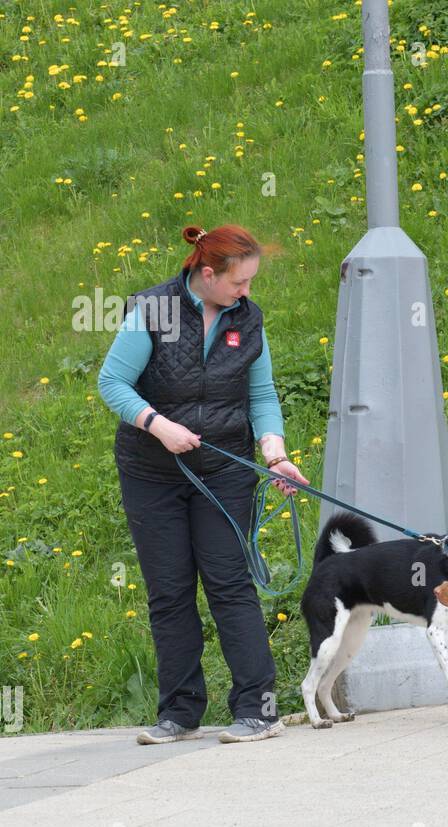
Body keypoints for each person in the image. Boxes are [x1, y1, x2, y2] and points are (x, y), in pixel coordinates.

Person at [98, 224, 309, 745]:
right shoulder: (152, 311)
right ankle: (179, 712)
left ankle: (258, 710)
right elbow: (112, 383)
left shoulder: (248, 320)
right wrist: (157, 424)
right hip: (151, 473)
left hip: (225, 470)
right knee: (168, 592)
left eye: (252, 283)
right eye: (240, 283)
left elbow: (262, 397)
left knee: (229, 584)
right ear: (207, 273)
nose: (247, 293)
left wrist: (275, 454)